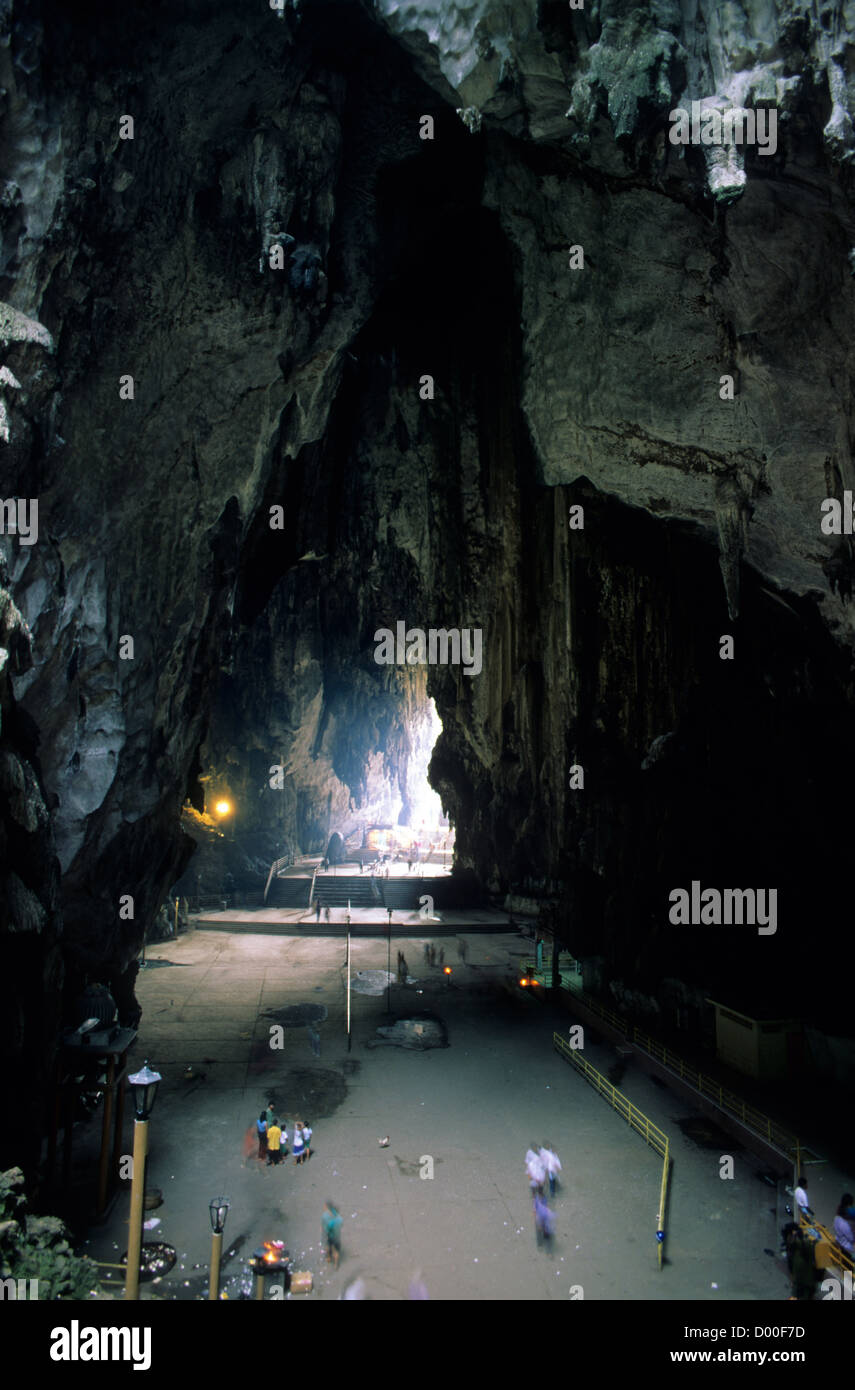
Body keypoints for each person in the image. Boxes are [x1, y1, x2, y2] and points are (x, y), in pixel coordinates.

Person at [322, 1200, 343, 1269]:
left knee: (328, 1246)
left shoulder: (331, 1221)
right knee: (336, 1251)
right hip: (337, 1237)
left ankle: (328, 1258)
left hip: (331, 1236)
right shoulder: (340, 1219)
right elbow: (341, 1225)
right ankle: (336, 1264)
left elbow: (327, 1228)